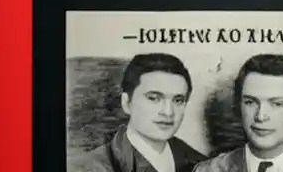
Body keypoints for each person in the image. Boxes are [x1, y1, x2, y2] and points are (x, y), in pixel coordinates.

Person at [69, 53, 208, 172]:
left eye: (178, 100)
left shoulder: (203, 166)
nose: (168, 112)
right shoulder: (90, 167)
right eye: (154, 98)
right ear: (127, 103)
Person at [193, 55, 283, 172]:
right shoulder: (208, 170)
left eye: (276, 104)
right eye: (250, 102)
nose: (260, 116)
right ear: (239, 105)